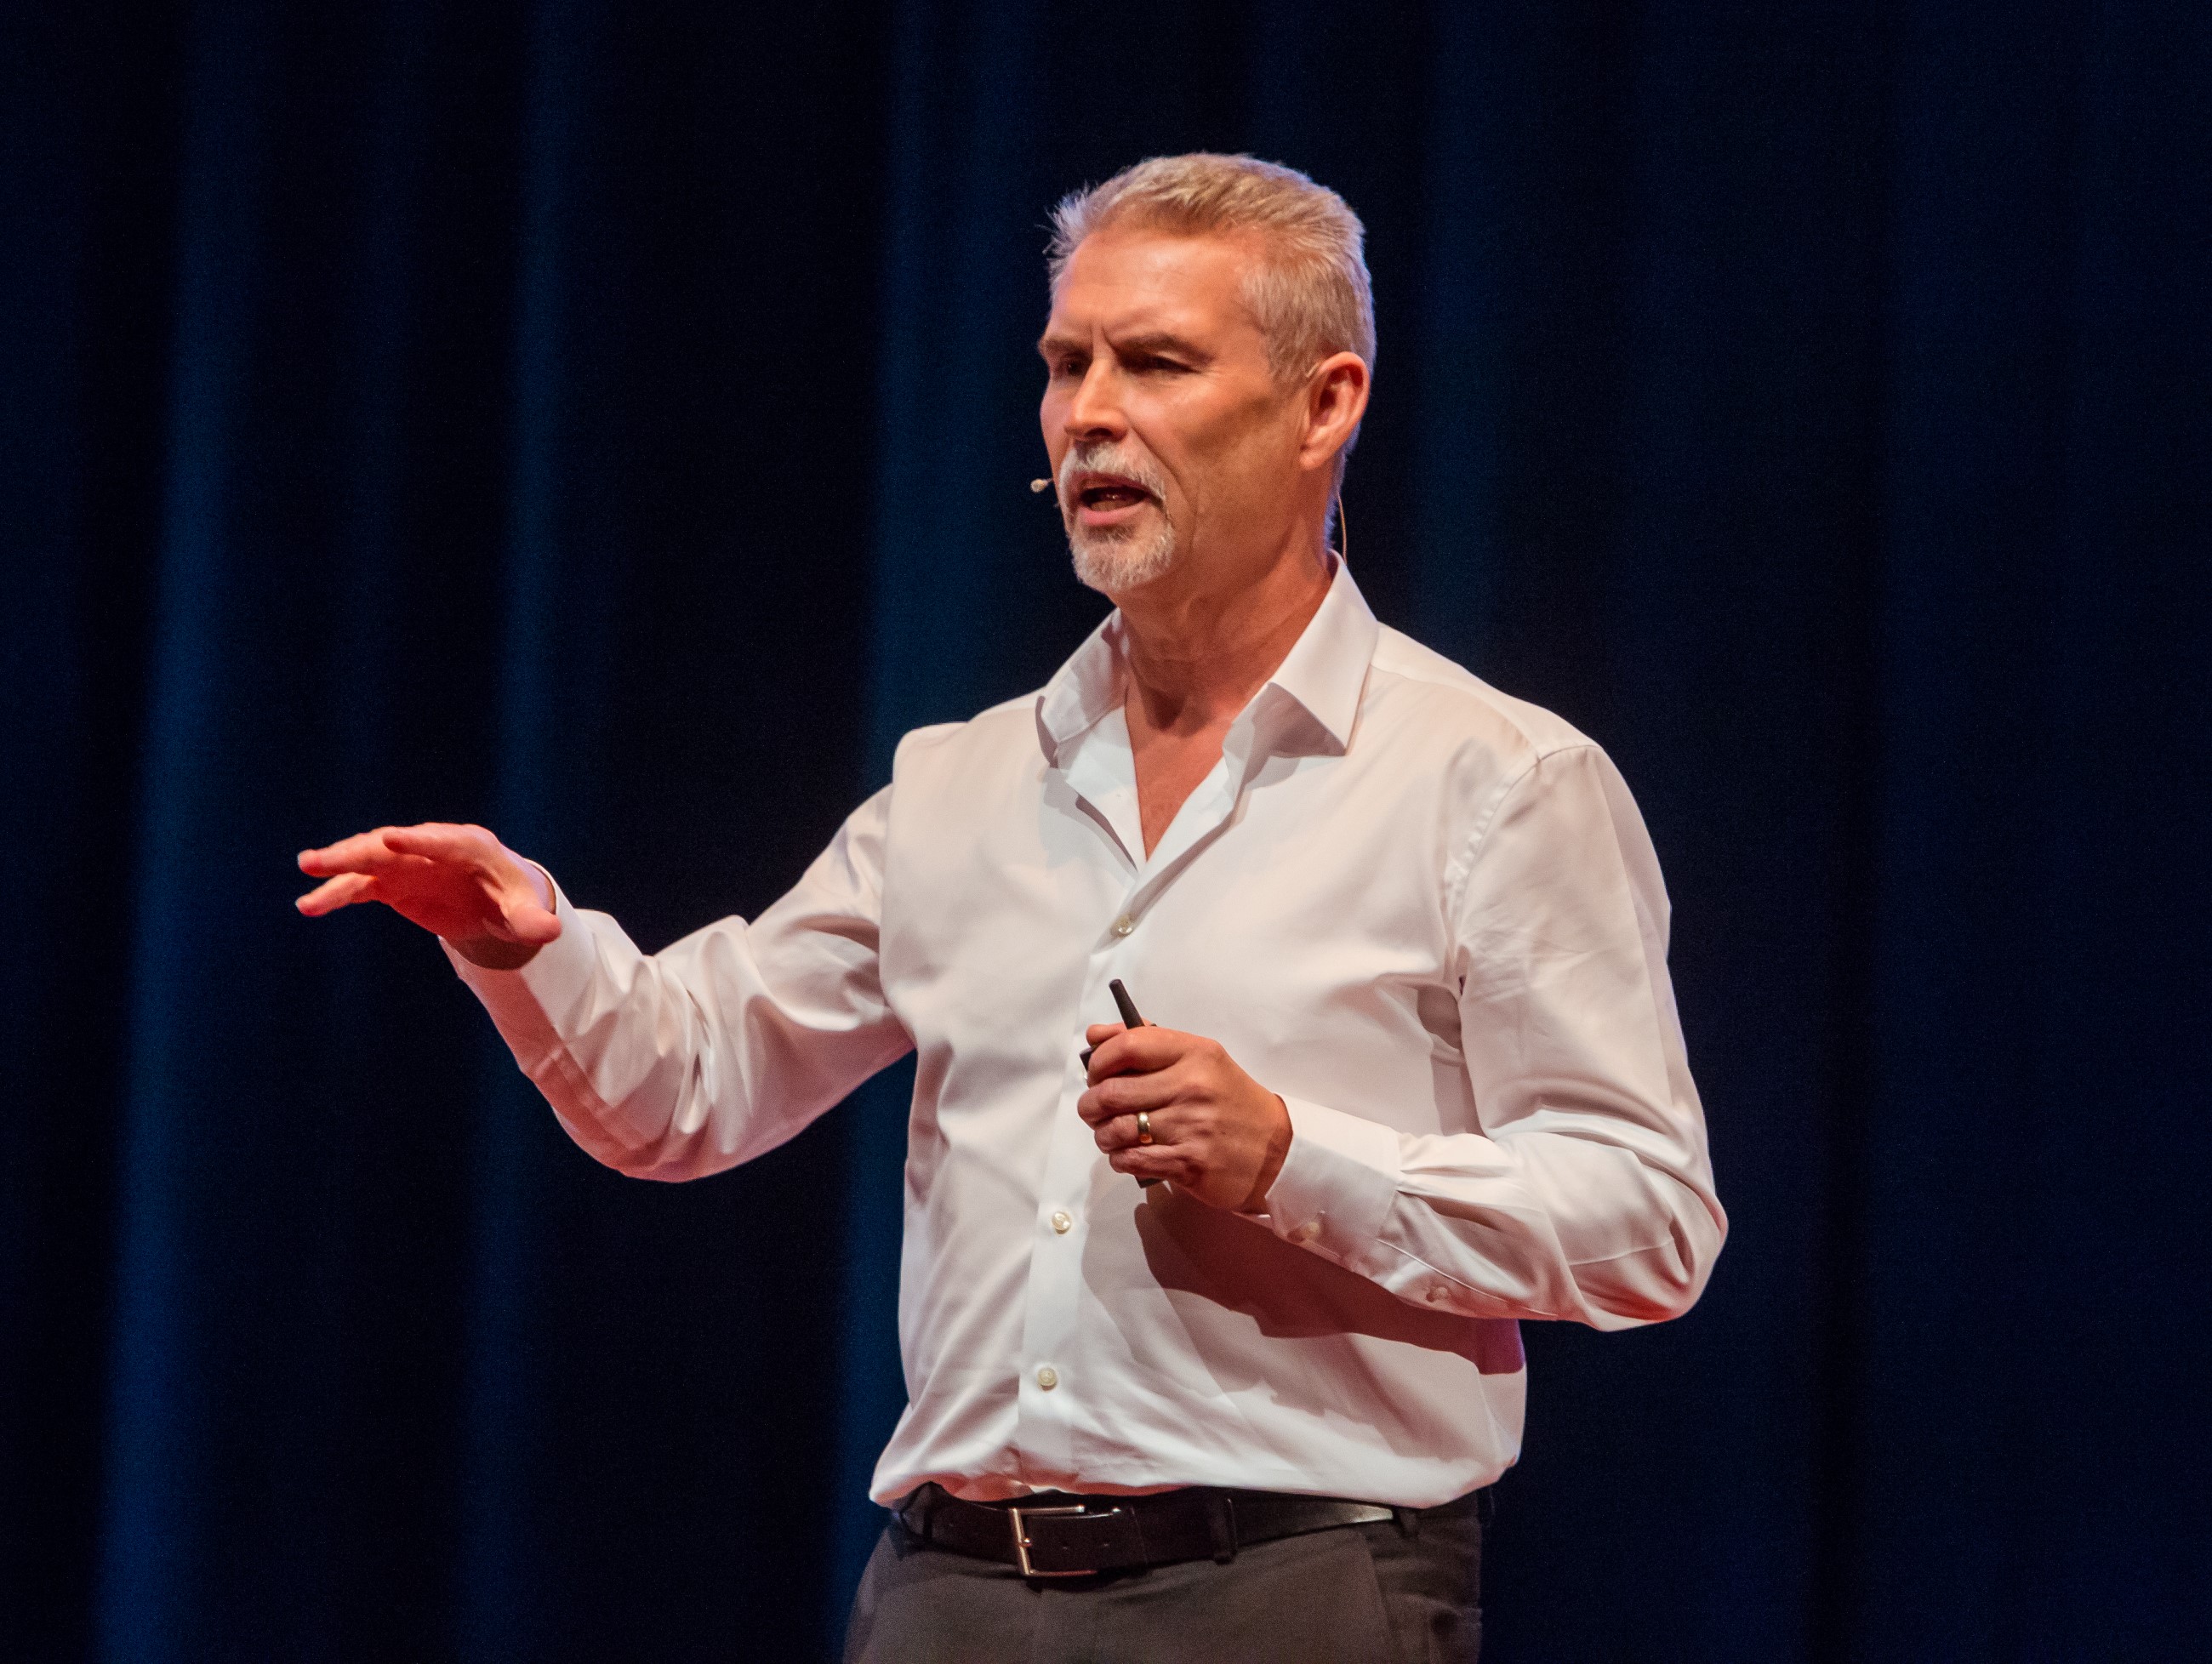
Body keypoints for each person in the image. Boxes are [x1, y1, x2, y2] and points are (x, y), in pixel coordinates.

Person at [297, 153, 1725, 1663]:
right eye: (1067, 363)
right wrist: (526, 942)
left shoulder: (1493, 781)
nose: (1090, 412)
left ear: (1326, 405)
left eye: (1157, 362)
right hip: (950, 1596)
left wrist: (1295, 1160)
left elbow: (1647, 1222)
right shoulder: (963, 782)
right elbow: (689, 1091)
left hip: (1292, 1592)